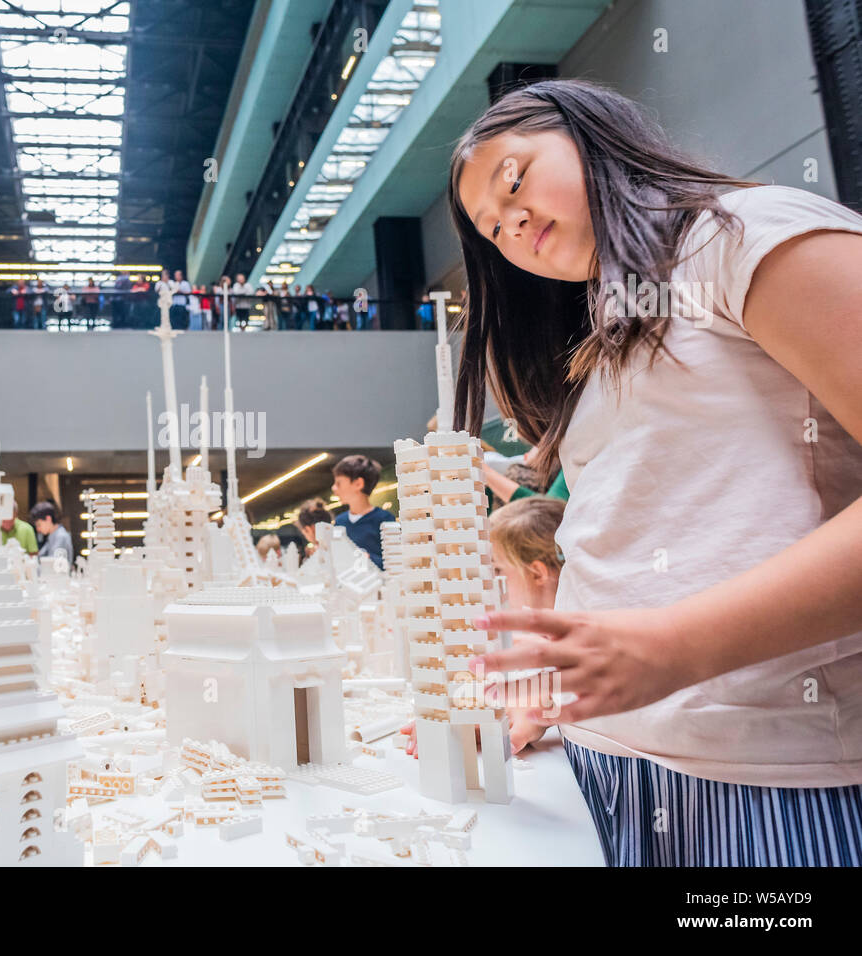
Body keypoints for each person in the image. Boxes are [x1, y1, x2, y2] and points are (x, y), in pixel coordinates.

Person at [452, 79, 862, 865]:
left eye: (514, 179)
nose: (514, 223)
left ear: (592, 132)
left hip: (770, 770)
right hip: (614, 763)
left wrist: (675, 647)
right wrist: (555, 694)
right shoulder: (605, 331)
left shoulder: (747, 236)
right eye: (493, 228)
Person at [404, 496, 567, 758]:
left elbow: (545, 698)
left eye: (496, 569)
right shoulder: (528, 638)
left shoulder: (556, 644)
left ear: (537, 573)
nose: (488, 581)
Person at [330, 455, 394, 569]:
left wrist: (368, 558)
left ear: (358, 484)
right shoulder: (339, 522)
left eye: (338, 483)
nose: (333, 488)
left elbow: (395, 563)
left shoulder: (385, 520)